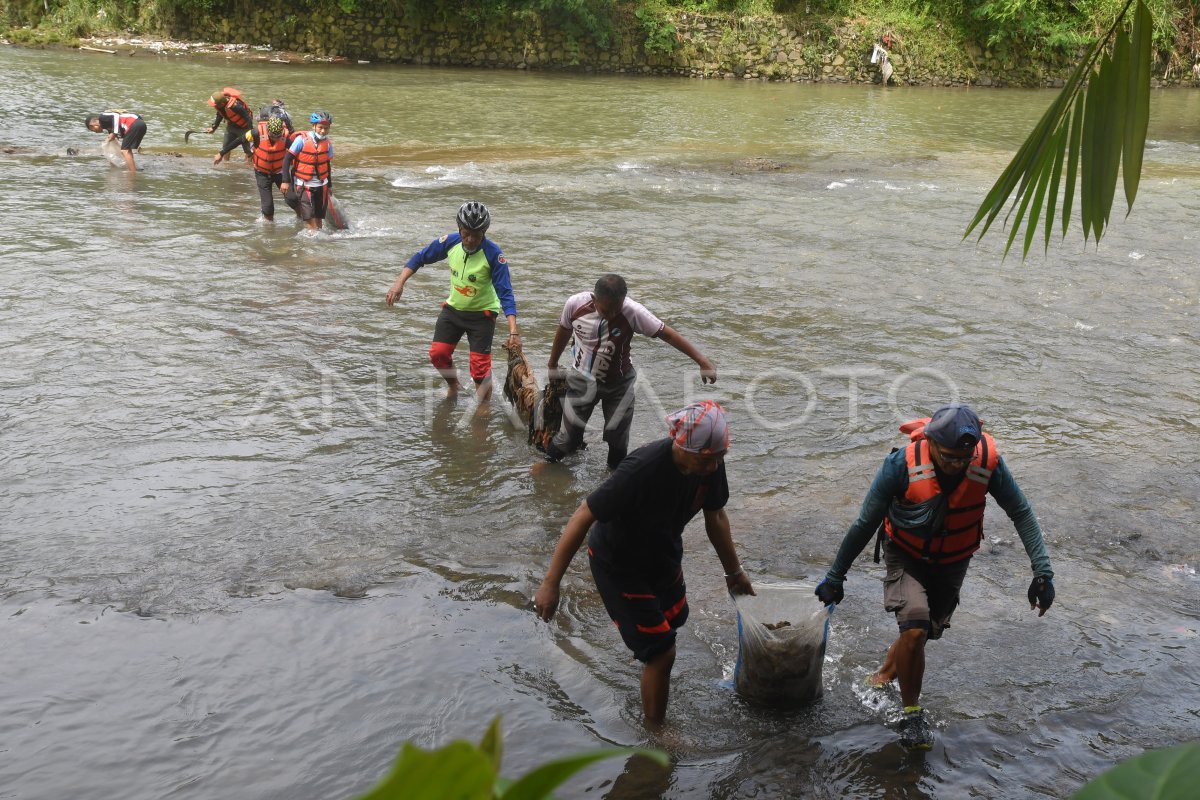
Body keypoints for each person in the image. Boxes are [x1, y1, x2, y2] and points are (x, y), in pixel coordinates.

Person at [814, 403, 1055, 749]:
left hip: (953, 559)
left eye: (963, 459)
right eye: (948, 457)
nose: (956, 464)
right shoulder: (899, 466)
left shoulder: (986, 464)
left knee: (924, 633)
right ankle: (912, 714)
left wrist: (1042, 572)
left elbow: (1021, 512)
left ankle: (881, 675)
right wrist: (836, 576)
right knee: (914, 626)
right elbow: (864, 523)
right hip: (906, 553)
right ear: (929, 444)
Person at [534, 401, 754, 725]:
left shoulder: (710, 462)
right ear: (684, 446)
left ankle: (648, 665)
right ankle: (656, 734)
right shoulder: (642, 469)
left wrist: (734, 572)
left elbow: (716, 516)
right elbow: (583, 516)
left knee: (675, 620)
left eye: (719, 458)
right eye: (707, 460)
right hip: (619, 564)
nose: (714, 466)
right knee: (662, 651)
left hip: (662, 551)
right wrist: (551, 584)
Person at [545, 274, 716, 470]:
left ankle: (614, 483)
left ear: (623, 301)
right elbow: (564, 331)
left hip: (619, 384)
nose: (611, 315)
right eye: (606, 310)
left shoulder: (632, 311)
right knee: (567, 437)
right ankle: (548, 470)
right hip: (581, 378)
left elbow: (667, 334)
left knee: (617, 441)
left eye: (616, 310)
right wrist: (552, 364)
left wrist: (702, 361)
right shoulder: (575, 305)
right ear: (594, 300)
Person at [385, 201, 519, 404]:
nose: (471, 239)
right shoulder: (450, 241)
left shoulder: (494, 255)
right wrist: (399, 283)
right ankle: (453, 386)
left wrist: (513, 331)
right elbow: (420, 257)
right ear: (459, 229)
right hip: (453, 310)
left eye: (477, 234)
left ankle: (483, 409)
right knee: (438, 354)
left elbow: (506, 293)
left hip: (482, 315)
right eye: (466, 233)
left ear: (484, 232)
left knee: (480, 368)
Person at [282, 110, 335, 232]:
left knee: (318, 218)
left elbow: (327, 165)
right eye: (320, 127)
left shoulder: (327, 144)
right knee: (309, 218)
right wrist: (285, 181)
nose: (323, 131)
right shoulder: (301, 140)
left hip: (322, 185)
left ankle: (317, 244)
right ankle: (311, 243)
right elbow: (287, 160)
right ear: (313, 126)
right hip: (304, 185)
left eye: (326, 128)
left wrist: (330, 185)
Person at [246, 116, 300, 221]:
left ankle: (301, 217)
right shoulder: (256, 133)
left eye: (278, 136)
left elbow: (296, 153)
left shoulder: (285, 138)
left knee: (292, 199)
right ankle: (268, 231)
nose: (276, 138)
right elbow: (240, 140)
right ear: (268, 132)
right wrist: (222, 153)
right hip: (262, 173)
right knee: (268, 208)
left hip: (279, 171)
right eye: (273, 136)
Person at [205, 87, 253, 166]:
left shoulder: (236, 105)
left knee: (248, 151)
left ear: (222, 104)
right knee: (226, 147)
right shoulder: (220, 106)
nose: (214, 106)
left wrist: (250, 132)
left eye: (215, 105)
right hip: (231, 126)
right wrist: (214, 128)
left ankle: (248, 168)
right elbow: (219, 115)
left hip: (244, 127)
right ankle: (226, 165)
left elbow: (248, 117)